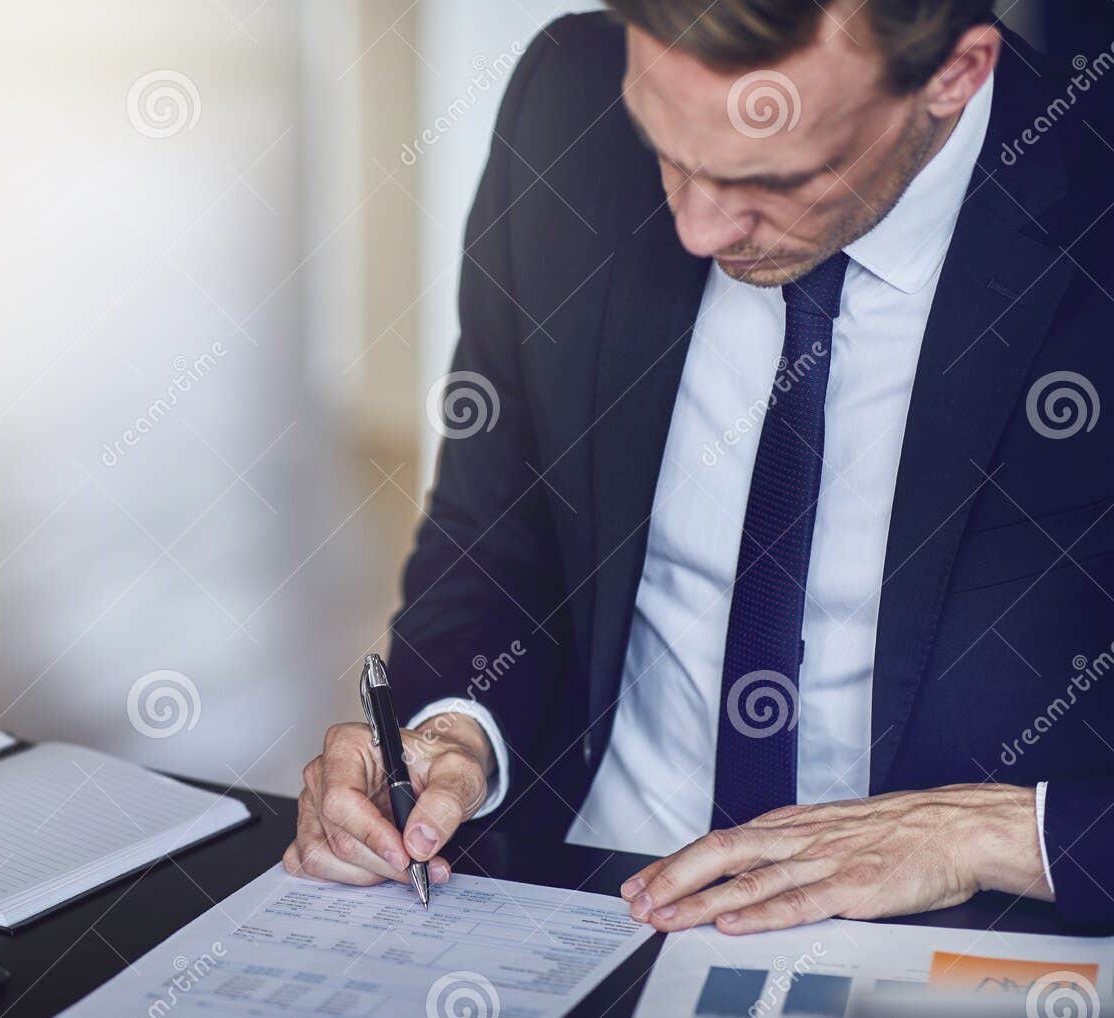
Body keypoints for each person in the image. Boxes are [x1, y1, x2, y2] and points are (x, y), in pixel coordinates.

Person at [285, 0, 1114, 931]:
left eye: (773, 175)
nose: (699, 230)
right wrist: (454, 730)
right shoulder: (571, 96)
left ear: (955, 75)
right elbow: (499, 533)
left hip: (963, 947)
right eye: (667, 147)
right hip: (577, 896)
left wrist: (1008, 835)